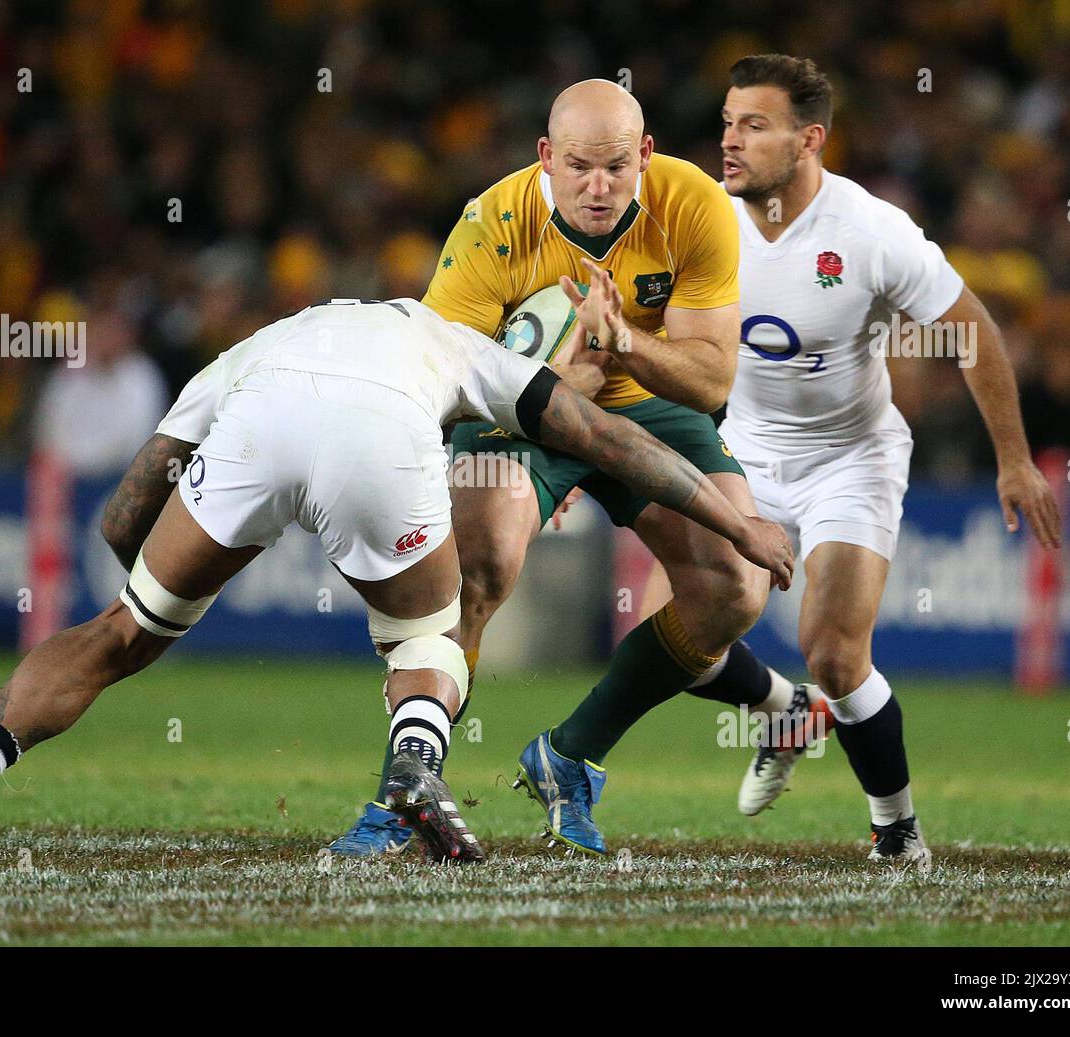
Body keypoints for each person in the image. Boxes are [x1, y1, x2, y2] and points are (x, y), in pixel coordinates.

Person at [0, 282, 794, 861]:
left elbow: (125, 506)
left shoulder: (255, 345)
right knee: (427, 636)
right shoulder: (460, 347)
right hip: (378, 434)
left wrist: (157, 591)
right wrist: (735, 523)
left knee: (116, 635)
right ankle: (416, 762)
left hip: (258, 422)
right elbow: (613, 440)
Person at [333, 79, 812, 858]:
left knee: (735, 585)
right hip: (518, 414)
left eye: (618, 167)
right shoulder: (492, 224)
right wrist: (548, 400)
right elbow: (439, 386)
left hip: (646, 400)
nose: (599, 186)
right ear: (545, 158)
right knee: (478, 561)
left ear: (646, 155)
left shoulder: (692, 204)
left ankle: (570, 755)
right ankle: (403, 793)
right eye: (580, 167)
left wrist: (623, 342)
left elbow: (712, 380)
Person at [648, 55, 1059, 870]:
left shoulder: (870, 232)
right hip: (746, 450)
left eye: (752, 125)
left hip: (852, 454)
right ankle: (787, 711)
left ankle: (896, 827)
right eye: (727, 122)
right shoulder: (702, 220)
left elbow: (969, 330)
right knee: (674, 641)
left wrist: (1013, 459)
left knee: (835, 651)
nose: (728, 141)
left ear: (809, 139)